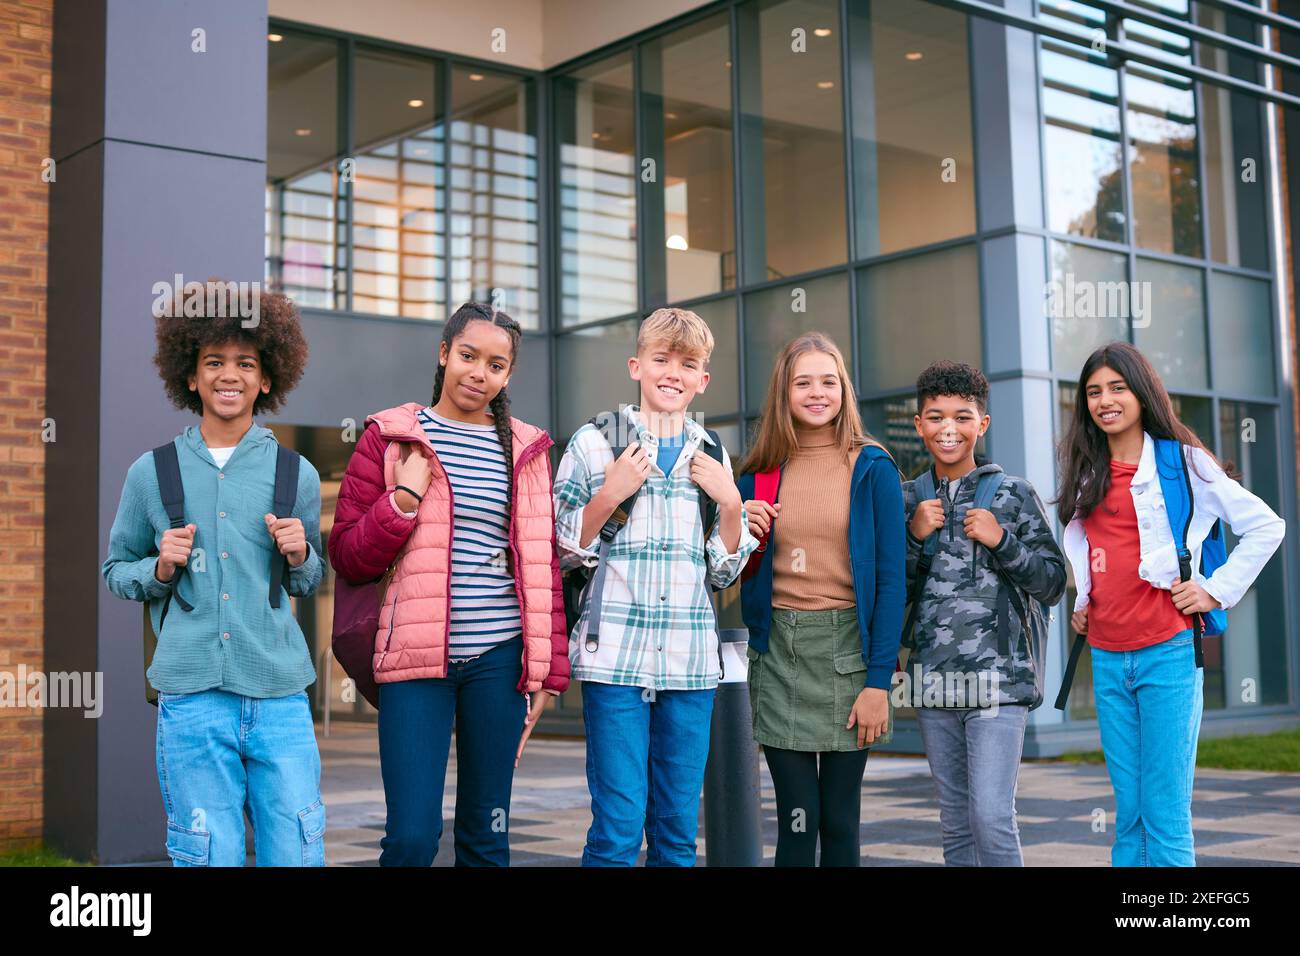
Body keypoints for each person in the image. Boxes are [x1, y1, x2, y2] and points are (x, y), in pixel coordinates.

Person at [328, 301, 570, 866]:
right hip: (415, 663)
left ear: (508, 374)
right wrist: (403, 501)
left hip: (500, 660)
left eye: (496, 364)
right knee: (411, 838)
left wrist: (546, 674)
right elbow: (347, 555)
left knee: (488, 837)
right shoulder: (389, 438)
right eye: (467, 355)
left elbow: (543, 566)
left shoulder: (528, 450)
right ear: (443, 354)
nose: (478, 373)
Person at [103, 290, 326, 866]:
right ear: (192, 377)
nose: (230, 375)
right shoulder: (151, 473)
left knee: (297, 851)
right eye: (214, 363)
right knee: (206, 854)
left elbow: (309, 579)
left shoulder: (294, 472)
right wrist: (158, 566)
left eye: (246, 363)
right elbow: (115, 570)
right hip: (193, 697)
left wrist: (301, 556)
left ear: (268, 379)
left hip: (279, 695)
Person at [1057, 341, 1284, 866]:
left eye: (1117, 387)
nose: (1105, 400)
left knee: (1164, 811)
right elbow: (1096, 549)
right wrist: (1085, 597)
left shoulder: (1183, 461)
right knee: (1129, 809)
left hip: (1169, 652)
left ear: (1142, 392)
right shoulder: (1086, 469)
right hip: (1109, 656)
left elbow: (1267, 526)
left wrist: (1214, 589)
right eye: (1093, 392)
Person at [553, 307, 757, 867]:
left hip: (690, 666)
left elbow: (721, 570)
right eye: (661, 359)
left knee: (674, 832)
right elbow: (562, 545)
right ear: (636, 365)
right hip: (614, 658)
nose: (673, 372)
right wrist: (610, 494)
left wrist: (733, 502)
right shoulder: (597, 442)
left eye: (687, 364)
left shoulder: (712, 453)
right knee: (618, 828)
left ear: (702, 379)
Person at [735, 331, 905, 866]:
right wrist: (739, 528)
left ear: (843, 389)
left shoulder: (872, 466)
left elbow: (893, 580)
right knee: (795, 821)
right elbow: (729, 570)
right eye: (802, 381)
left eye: (828, 381)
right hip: (779, 654)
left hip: (849, 654)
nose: (817, 392)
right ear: (783, 391)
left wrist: (880, 681)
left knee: (838, 821)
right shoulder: (757, 474)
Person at [902, 360, 1065, 866]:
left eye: (962, 416)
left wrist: (1002, 540)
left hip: (1000, 684)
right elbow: (891, 591)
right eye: (935, 417)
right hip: (933, 682)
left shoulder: (1014, 494)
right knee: (955, 825)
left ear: (982, 424)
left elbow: (1054, 583)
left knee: (991, 817)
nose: (948, 428)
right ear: (919, 425)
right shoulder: (908, 498)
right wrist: (913, 536)